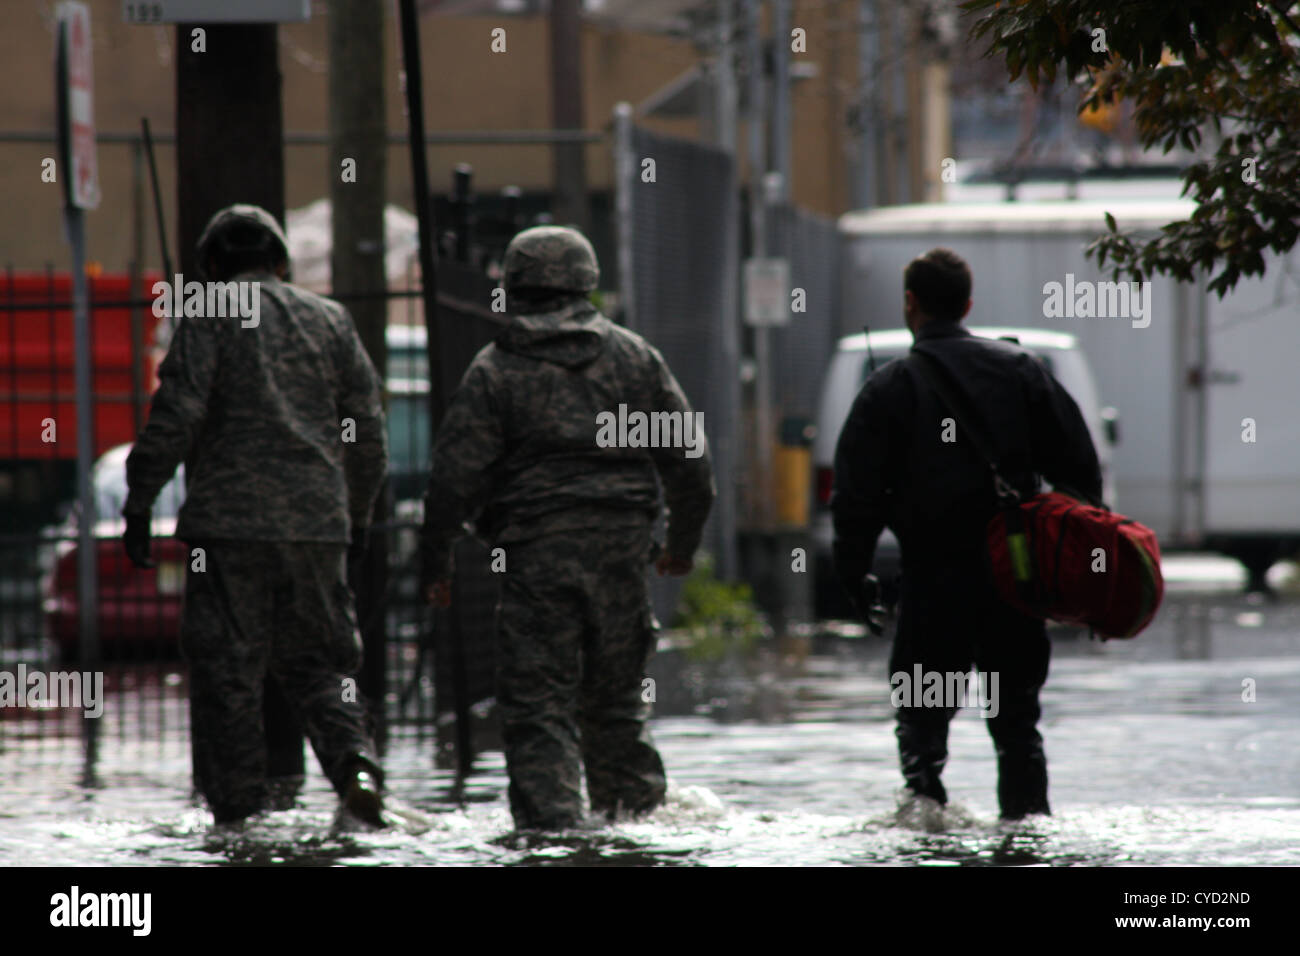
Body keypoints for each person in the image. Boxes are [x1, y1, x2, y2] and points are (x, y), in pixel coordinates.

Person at [419, 225, 715, 831]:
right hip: (622, 557)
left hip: (536, 560)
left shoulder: (495, 370)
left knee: (538, 710)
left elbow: (452, 480)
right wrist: (681, 547)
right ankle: (634, 831)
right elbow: (692, 465)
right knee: (618, 707)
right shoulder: (636, 359)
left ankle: (552, 837)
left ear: (513, 286)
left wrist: (437, 562)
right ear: (587, 282)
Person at [121, 204, 389, 826]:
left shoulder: (208, 312)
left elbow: (178, 414)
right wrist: (356, 515)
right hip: (316, 524)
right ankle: (356, 766)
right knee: (321, 666)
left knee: (229, 676)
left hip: (229, 530)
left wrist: (140, 501)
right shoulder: (331, 320)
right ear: (281, 261)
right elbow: (367, 431)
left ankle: (239, 820)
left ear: (213, 264)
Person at [831, 247, 1102, 821]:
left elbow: (855, 501)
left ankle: (925, 827)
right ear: (968, 305)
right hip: (1015, 584)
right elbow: (1081, 473)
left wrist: (855, 580)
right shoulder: (1022, 371)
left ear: (910, 303)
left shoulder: (889, 388)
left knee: (922, 730)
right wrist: (1083, 574)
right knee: (1017, 727)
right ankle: (1026, 837)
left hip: (932, 589)